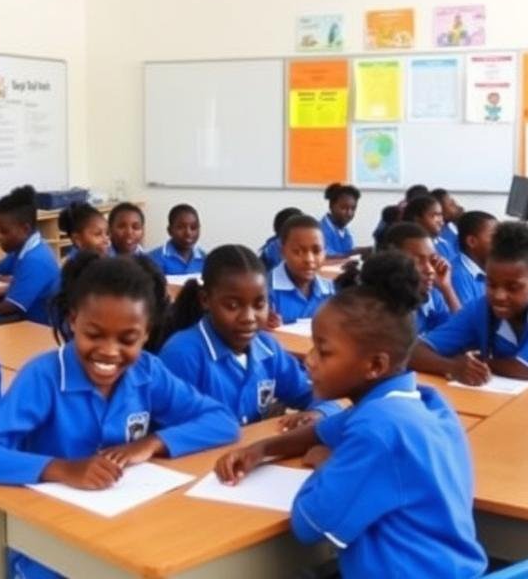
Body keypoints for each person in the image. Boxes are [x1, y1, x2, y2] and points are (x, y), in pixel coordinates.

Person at [0, 253, 238, 579]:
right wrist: (61, 469)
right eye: (94, 334)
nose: (109, 351)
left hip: (127, 529)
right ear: (73, 321)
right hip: (47, 546)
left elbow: (222, 421)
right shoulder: (43, 377)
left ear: (146, 334)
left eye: (127, 339)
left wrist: (152, 443)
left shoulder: (148, 371)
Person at [214, 252, 487, 579]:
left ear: (375, 365)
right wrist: (261, 449)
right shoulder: (425, 401)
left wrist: (329, 464)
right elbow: (322, 431)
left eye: (324, 351)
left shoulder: (378, 429)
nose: (309, 361)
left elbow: (308, 524)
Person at [160, 245, 340, 426]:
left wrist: (319, 413)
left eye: (259, 304)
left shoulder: (268, 348)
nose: (248, 318)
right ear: (205, 299)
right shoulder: (183, 354)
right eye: (232, 306)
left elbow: (317, 394)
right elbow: (167, 431)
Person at [410, 222, 528, 384]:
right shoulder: (483, 307)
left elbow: (525, 369)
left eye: (513, 287)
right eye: (491, 284)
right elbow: (414, 352)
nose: (499, 295)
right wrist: (453, 366)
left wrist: (476, 362)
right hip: (520, 403)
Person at [0, 185, 60, 324]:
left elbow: (11, 307)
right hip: (24, 320)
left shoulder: (35, 260)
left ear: (25, 229)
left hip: (40, 328)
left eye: (4, 232)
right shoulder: (22, 250)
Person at [381, 222, 460, 333]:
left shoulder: (432, 296)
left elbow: (463, 332)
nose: (430, 270)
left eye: (432, 260)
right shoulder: (381, 307)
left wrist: (446, 287)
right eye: (418, 261)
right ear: (392, 258)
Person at [268, 214, 334, 323]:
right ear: (282, 252)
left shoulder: (328, 290)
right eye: (298, 251)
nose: (309, 259)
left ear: (325, 252)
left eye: (316, 251)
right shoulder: (266, 291)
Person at [450, 211, 498, 307]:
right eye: (494, 237)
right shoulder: (457, 276)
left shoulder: (486, 269)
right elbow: (471, 319)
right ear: (472, 242)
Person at [148, 204, 206, 275]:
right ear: (169, 230)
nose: (188, 233)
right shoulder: (152, 259)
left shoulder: (205, 259)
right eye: (180, 227)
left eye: (193, 227)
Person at [403, 195, 456, 262]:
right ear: (417, 219)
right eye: (435, 215)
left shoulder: (444, 244)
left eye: (441, 215)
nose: (441, 221)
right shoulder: (408, 247)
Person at [320, 183, 360, 257]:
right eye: (344, 208)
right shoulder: (320, 230)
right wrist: (358, 252)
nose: (349, 213)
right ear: (331, 206)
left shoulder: (344, 229)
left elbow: (347, 251)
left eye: (353, 209)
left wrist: (365, 250)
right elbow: (326, 256)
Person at [432, 188, 465, 259]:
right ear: (439, 209)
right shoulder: (437, 239)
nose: (457, 207)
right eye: (451, 205)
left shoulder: (451, 228)